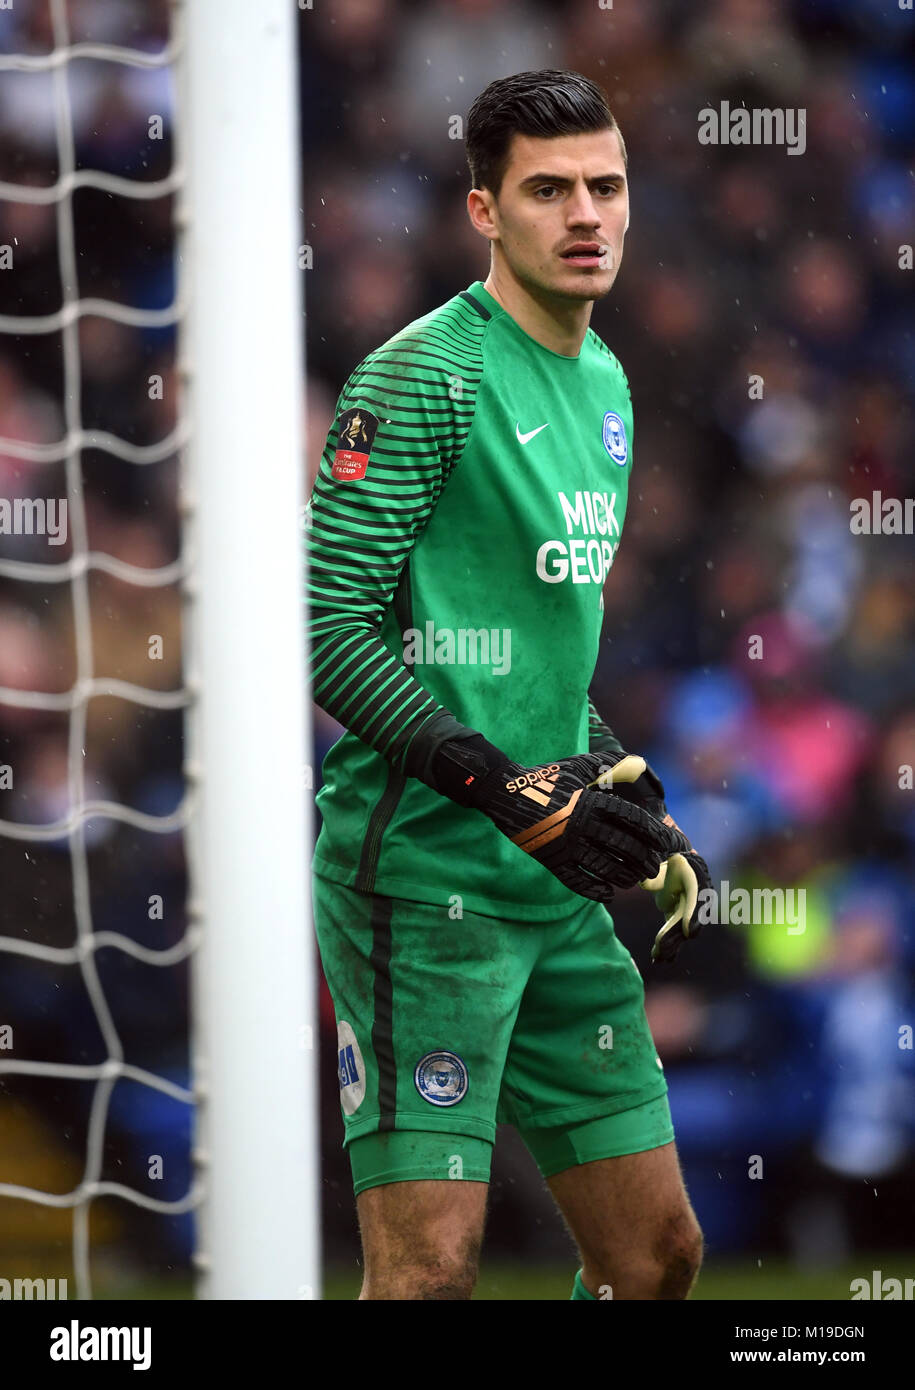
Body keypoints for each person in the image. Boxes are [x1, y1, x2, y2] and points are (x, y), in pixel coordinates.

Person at [305, 68, 710, 1300]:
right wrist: (497, 786)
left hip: (545, 877)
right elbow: (329, 630)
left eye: (606, 185)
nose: (586, 214)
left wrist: (617, 781)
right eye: (548, 191)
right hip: (422, 881)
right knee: (429, 1276)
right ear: (485, 211)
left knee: (655, 1259)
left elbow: (539, 651)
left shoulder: (608, 388)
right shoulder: (420, 376)